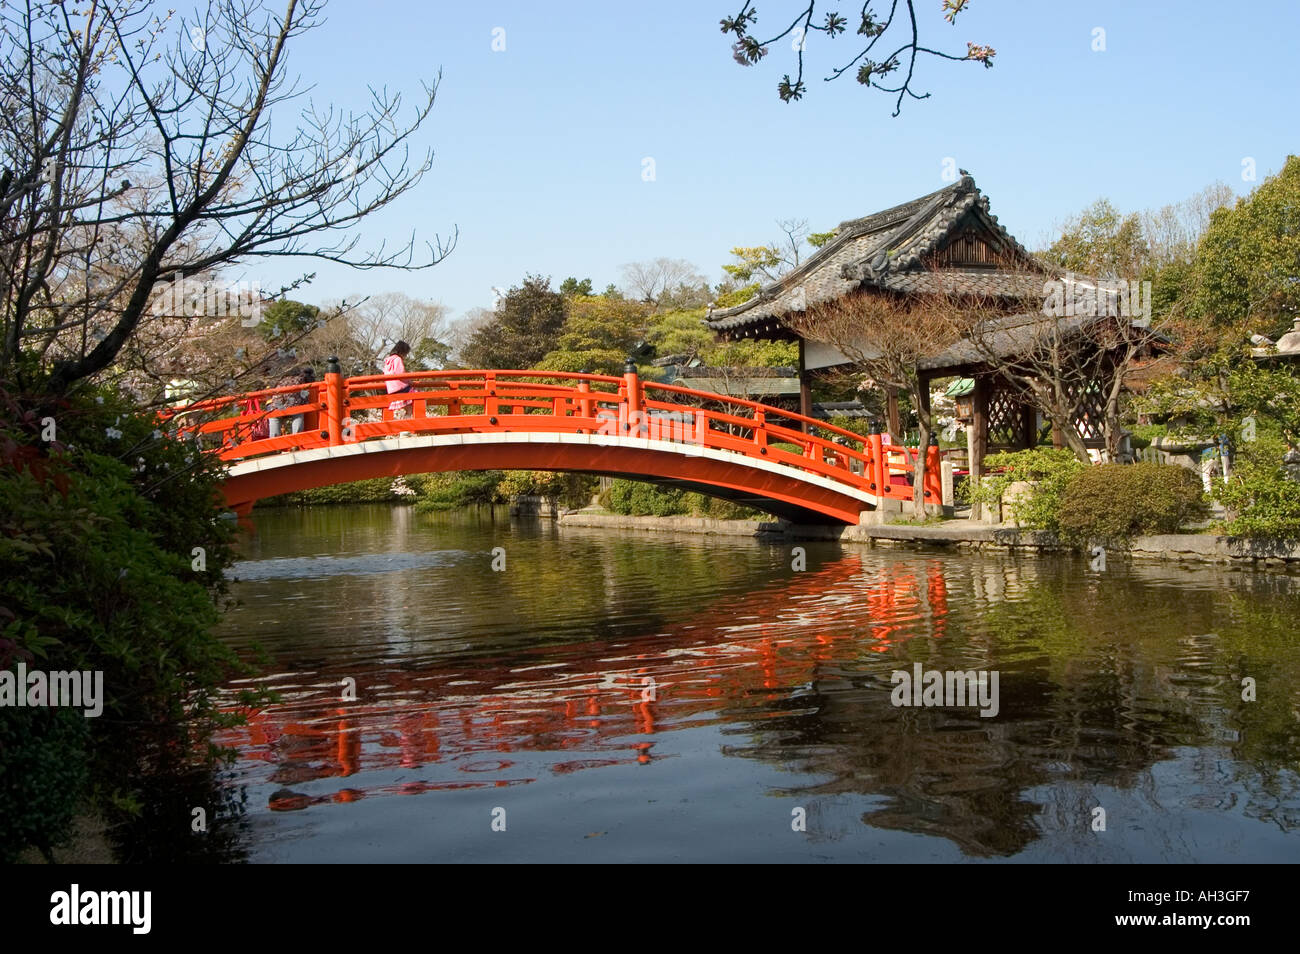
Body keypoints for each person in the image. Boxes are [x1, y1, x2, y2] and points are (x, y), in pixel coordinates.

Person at [269, 366, 314, 438]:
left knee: (275, 418)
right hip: (293, 404)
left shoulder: (282, 379)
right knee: (298, 414)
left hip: (277, 404)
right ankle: (296, 440)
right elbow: (304, 396)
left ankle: (274, 442)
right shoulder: (301, 380)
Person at [384, 341, 414, 420]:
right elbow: (401, 374)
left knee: (408, 407)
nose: (406, 356)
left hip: (391, 389)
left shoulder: (388, 360)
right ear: (402, 352)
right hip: (401, 388)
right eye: (406, 353)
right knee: (417, 398)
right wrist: (409, 380)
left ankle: (405, 425)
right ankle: (406, 426)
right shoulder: (398, 359)